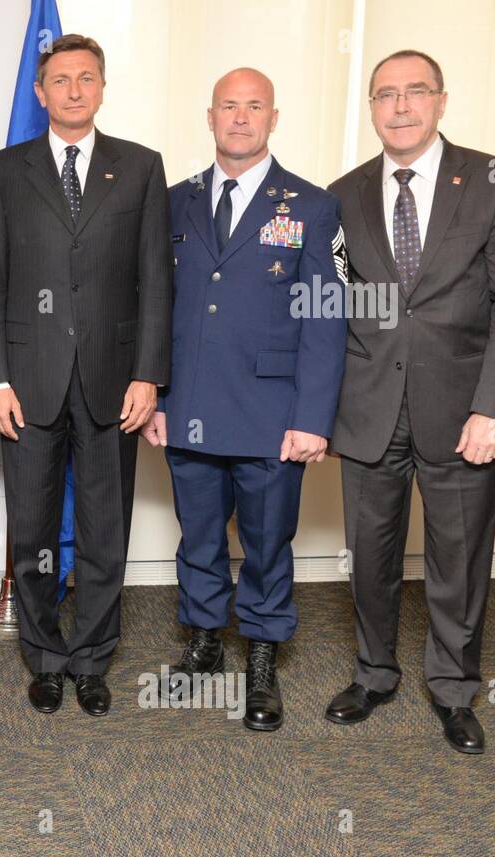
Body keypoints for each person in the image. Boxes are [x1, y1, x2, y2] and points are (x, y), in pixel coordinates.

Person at [323, 50, 495, 753]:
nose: (401, 106)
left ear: (441, 101)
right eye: (385, 94)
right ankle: (373, 674)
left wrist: (494, 407)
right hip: (368, 408)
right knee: (371, 556)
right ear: (372, 108)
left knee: (459, 558)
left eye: (415, 91)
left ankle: (453, 690)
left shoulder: (494, 180)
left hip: (462, 409)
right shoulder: (342, 194)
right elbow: (331, 309)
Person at [0, 34, 172, 715]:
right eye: (61, 80)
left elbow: (155, 280)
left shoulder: (140, 167)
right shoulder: (4, 170)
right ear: (41, 92)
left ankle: (91, 658)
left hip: (115, 383)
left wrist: (148, 375)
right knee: (30, 530)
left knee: (103, 530)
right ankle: (44, 656)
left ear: (102, 87)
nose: (74, 90)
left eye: (87, 78)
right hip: (26, 385)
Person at [141, 69, 346, 730]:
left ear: (272, 118)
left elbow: (326, 316)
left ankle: (260, 657)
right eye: (228, 106)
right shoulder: (173, 202)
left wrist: (312, 418)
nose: (239, 117)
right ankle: (204, 644)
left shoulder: (312, 206)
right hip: (190, 405)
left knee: (266, 541)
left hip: (272, 413)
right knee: (199, 536)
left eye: (253, 106)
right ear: (210, 116)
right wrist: (156, 397)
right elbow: (154, 307)